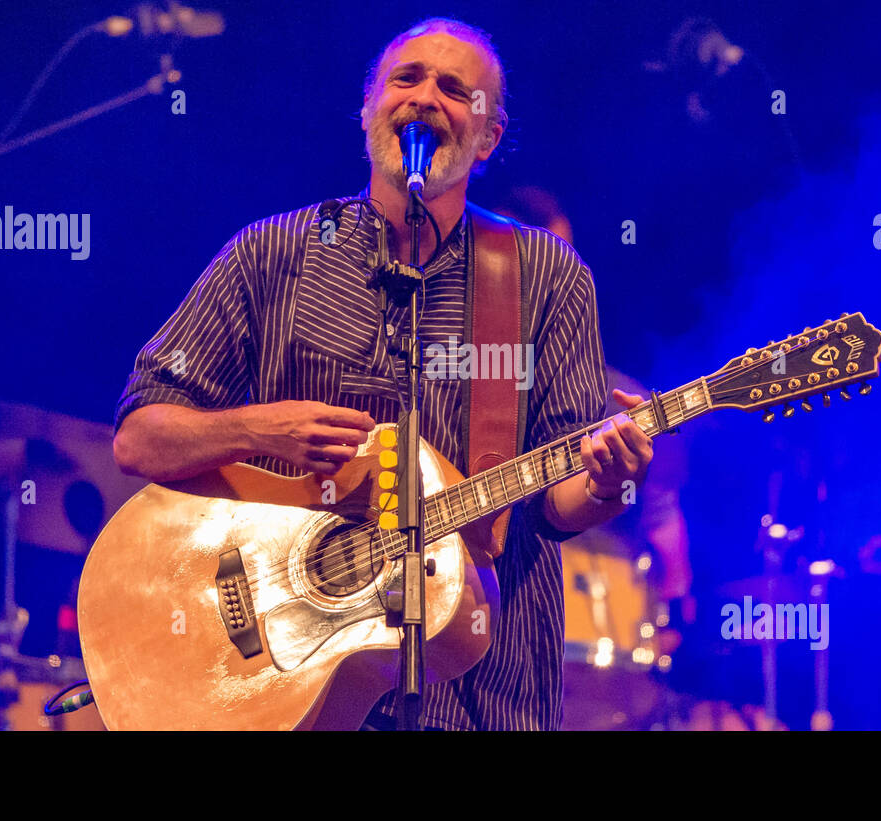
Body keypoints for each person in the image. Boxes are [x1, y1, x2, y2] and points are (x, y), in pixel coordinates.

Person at [111, 17, 655, 730]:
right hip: (288, 689)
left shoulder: (546, 276)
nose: (426, 97)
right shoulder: (270, 254)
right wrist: (257, 426)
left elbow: (559, 502)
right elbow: (139, 439)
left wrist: (611, 482)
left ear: (489, 137)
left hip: (482, 693)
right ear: (370, 110)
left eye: (455, 90)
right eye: (407, 79)